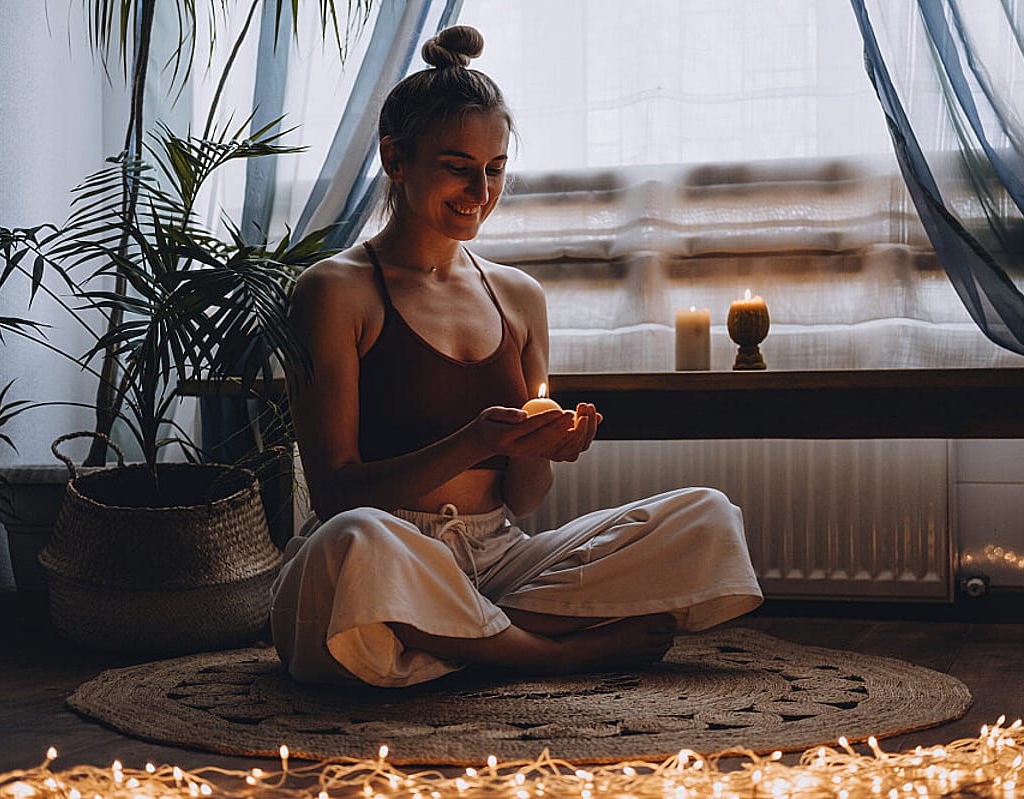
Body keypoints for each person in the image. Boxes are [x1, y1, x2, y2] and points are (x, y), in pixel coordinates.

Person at [271, 25, 762, 688]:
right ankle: (554, 650)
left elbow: (525, 501)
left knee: (706, 515)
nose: (481, 191)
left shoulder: (519, 296)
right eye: (457, 167)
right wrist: (473, 440)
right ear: (395, 157)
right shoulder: (334, 291)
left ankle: (454, 633)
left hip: (500, 556)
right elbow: (334, 493)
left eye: (495, 169)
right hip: (391, 548)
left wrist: (541, 447)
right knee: (349, 547)